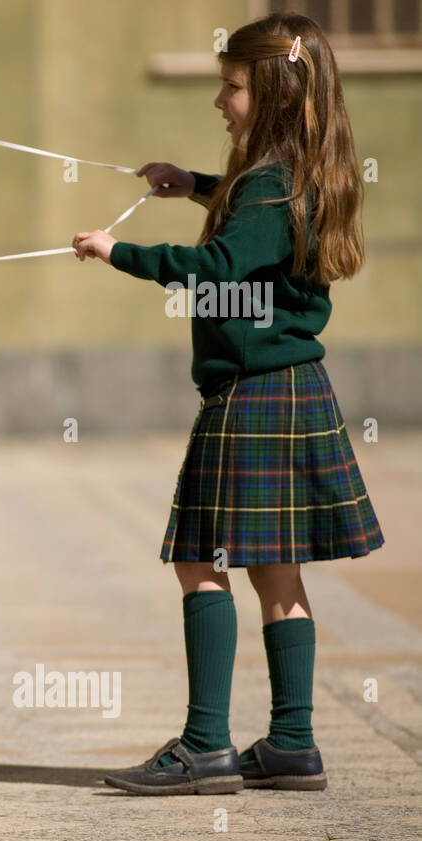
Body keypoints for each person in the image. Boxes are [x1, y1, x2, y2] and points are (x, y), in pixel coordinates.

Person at [73, 12, 382, 795]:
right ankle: (292, 743)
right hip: (294, 391)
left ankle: (206, 745)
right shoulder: (296, 177)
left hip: (253, 400)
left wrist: (119, 254)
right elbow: (254, 224)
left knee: (197, 559)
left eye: (234, 87)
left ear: (275, 94)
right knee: (278, 575)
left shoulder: (273, 185)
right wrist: (193, 186)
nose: (221, 100)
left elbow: (219, 263)